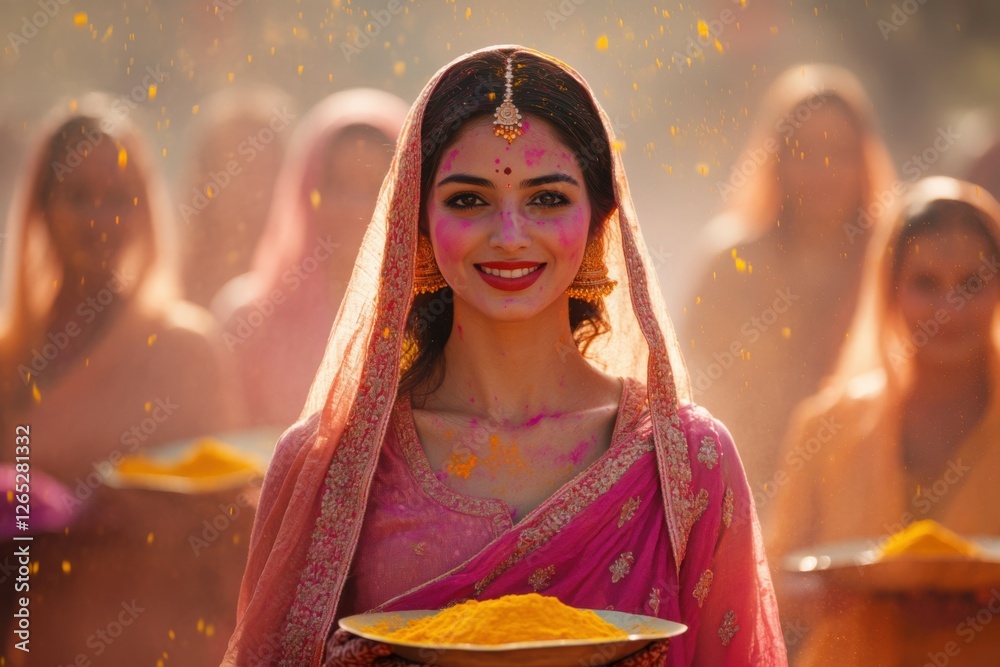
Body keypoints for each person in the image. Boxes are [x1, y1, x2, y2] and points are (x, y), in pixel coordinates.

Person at [224, 46, 786, 666]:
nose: (511, 235)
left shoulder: (686, 462)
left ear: (599, 222)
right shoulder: (332, 466)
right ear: (418, 223)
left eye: (547, 198)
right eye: (470, 200)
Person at [0, 94, 245, 664]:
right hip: (39, 636)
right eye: (78, 196)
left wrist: (136, 513)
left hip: (159, 638)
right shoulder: (11, 358)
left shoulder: (186, 348)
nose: (100, 218)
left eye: (118, 198)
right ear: (41, 208)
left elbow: (232, 521)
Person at [767, 176, 1000, 665]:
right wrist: (857, 592)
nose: (949, 309)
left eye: (972, 283)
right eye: (926, 283)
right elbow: (771, 580)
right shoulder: (826, 425)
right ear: (889, 289)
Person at [679, 65, 897, 520]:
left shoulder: (898, 262)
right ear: (775, 159)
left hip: (868, 490)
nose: (823, 171)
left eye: (839, 152)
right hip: (743, 491)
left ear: (864, 161)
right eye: (805, 151)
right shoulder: (732, 262)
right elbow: (692, 387)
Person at [214, 89, 406, 429]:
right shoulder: (249, 317)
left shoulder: (439, 317)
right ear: (306, 190)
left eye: (378, 186)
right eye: (338, 184)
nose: (357, 207)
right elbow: (227, 450)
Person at [177, 84, 294, 307]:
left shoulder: (300, 280)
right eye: (231, 169)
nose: (248, 187)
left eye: (262, 169)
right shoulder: (167, 282)